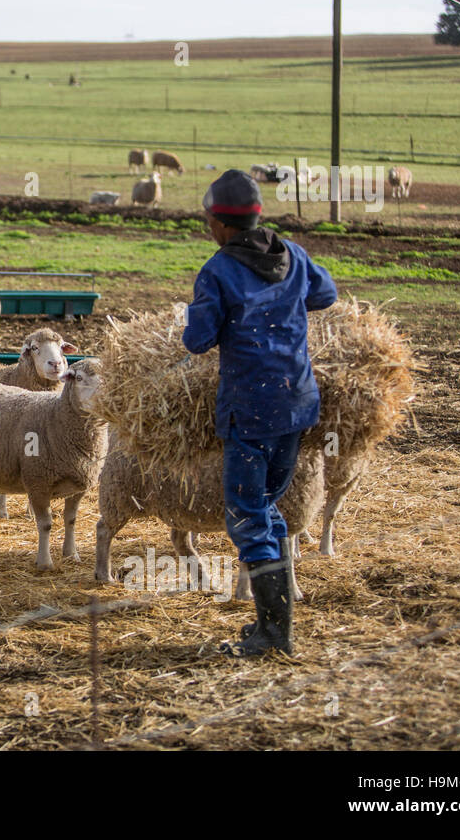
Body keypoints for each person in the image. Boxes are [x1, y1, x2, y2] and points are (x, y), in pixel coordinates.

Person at [182, 170, 337, 656]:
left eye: (209, 221)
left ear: (222, 224)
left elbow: (197, 339)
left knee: (247, 517)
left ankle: (273, 633)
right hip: (296, 403)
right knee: (267, 508)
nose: (208, 229)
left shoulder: (219, 270)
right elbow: (325, 295)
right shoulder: (291, 253)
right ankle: (274, 624)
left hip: (250, 410)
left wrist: (209, 314)